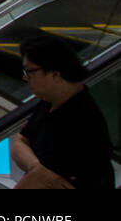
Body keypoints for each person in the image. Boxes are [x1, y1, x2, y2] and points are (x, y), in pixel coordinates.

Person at [12, 34, 115, 189]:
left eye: (30, 72)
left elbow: (36, 181)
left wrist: (37, 171)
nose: (25, 78)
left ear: (55, 74)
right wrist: (35, 166)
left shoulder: (80, 122)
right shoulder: (50, 101)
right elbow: (19, 143)